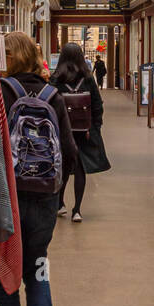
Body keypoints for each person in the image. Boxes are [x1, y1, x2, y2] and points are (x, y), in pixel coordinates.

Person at [0, 31, 78, 306]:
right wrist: (57, 191)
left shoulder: (0, 93)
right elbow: (69, 151)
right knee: (38, 267)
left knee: (6, 270)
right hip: (44, 196)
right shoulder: (52, 95)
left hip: (8, 198)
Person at [52, 41, 109, 220]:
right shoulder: (88, 79)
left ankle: (60, 203)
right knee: (80, 169)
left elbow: (50, 105)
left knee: (63, 166)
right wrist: (94, 128)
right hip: (84, 131)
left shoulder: (56, 79)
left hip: (63, 131)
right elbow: (97, 105)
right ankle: (77, 209)